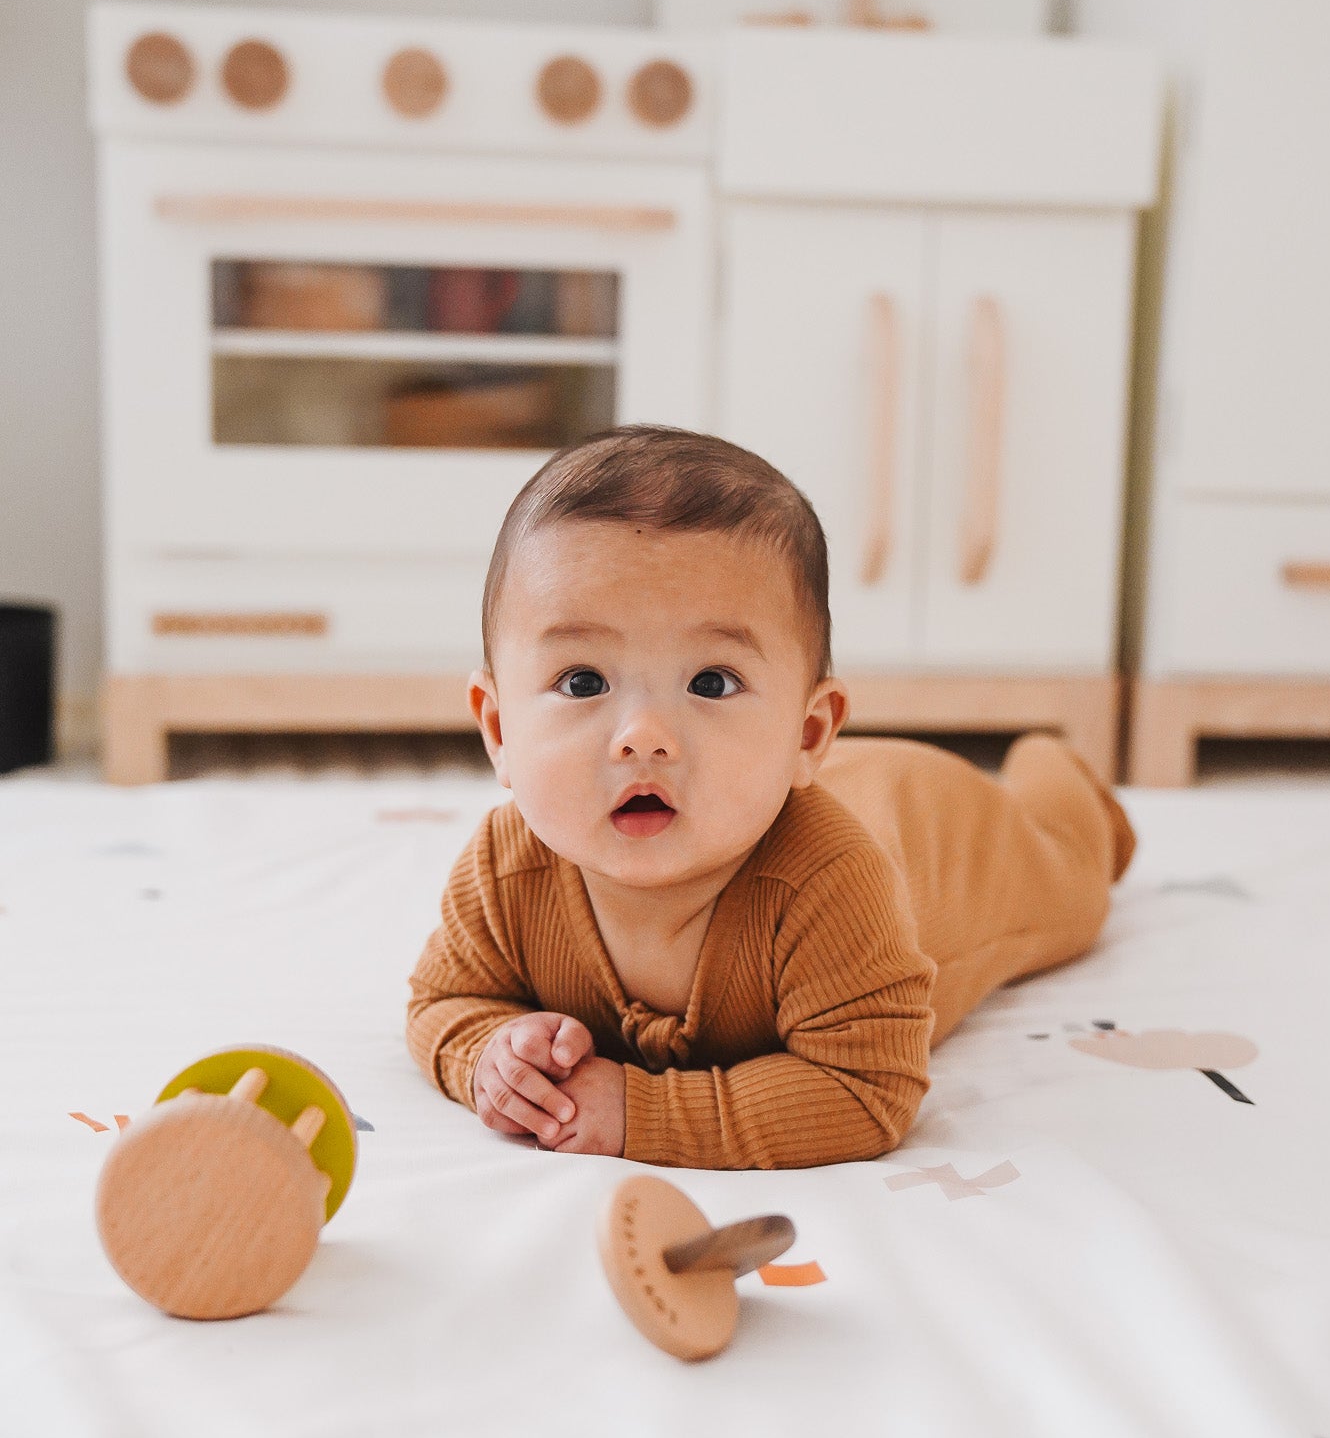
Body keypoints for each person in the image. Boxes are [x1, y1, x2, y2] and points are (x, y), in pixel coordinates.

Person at [407, 426, 1134, 1170]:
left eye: (711, 683)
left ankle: (1056, 771)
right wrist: (489, 1059)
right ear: (497, 728)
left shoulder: (828, 886)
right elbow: (441, 1004)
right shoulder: (505, 870)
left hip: (939, 832)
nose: (643, 737)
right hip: (777, 786)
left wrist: (639, 1111)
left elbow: (865, 1089)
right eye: (583, 682)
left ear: (807, 730)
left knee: (1074, 874)